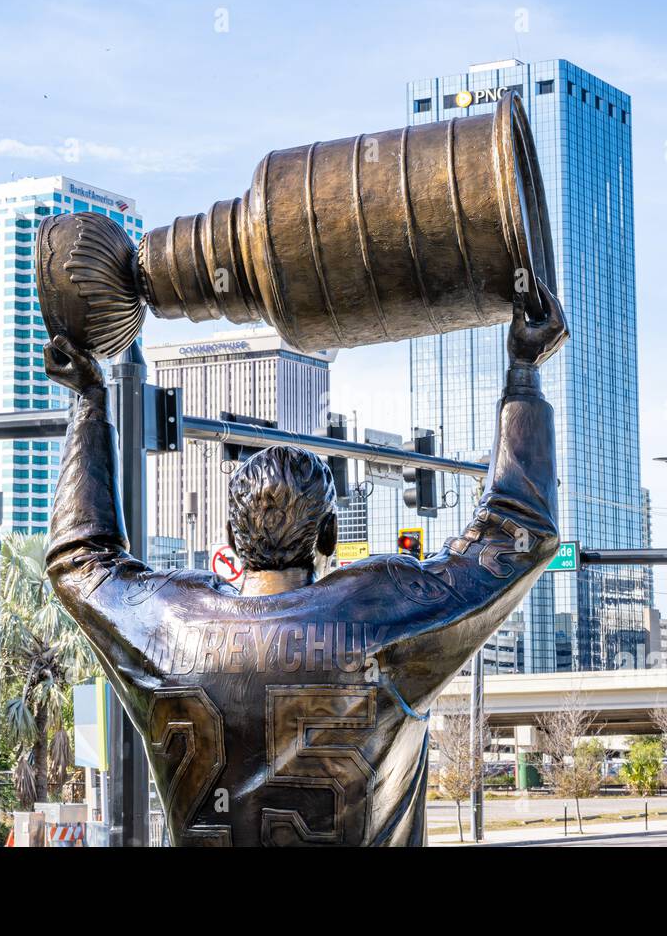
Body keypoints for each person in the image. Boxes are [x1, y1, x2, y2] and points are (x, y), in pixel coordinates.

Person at [44, 283, 567, 846]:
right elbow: (519, 532)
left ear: (229, 536)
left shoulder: (165, 622)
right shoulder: (380, 610)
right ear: (329, 535)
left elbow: (80, 558)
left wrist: (88, 402)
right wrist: (522, 375)